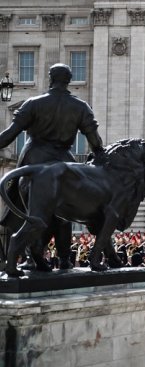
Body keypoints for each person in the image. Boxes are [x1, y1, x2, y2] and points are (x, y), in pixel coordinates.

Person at [0, 63, 106, 268]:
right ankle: (65, 259)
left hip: (34, 159)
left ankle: (32, 257)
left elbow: (9, 135)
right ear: (69, 80)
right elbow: (94, 140)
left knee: (33, 212)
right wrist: (100, 158)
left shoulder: (33, 103)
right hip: (64, 160)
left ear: (50, 78)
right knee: (65, 213)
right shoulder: (80, 106)